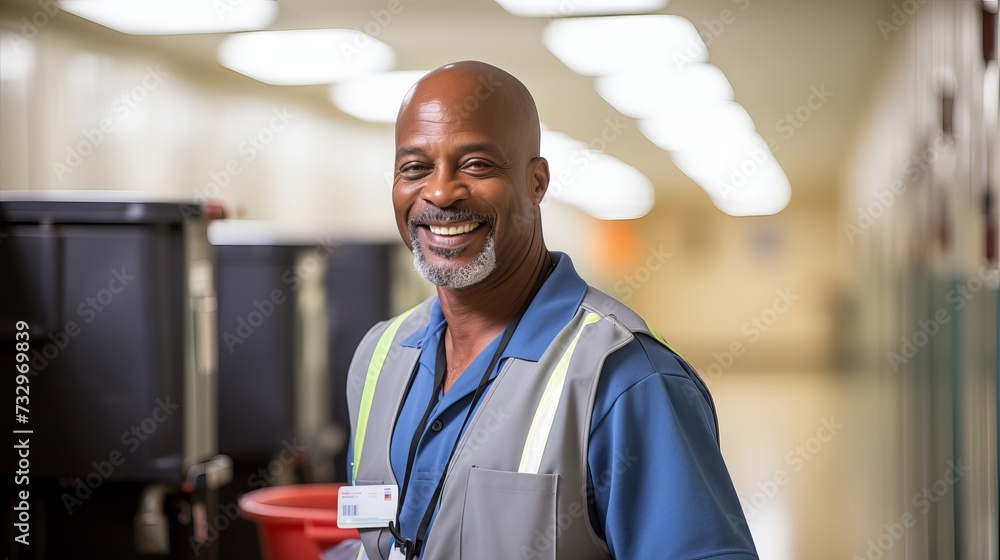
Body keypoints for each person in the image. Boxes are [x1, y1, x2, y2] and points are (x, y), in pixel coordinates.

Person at [343, 60, 757, 559]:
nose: (439, 192)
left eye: (476, 164)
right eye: (415, 168)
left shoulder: (626, 379)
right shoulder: (379, 358)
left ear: (536, 182)